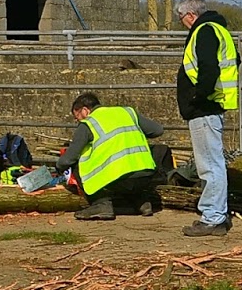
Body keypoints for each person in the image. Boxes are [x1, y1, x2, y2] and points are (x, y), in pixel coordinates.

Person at [175, 0, 239, 237]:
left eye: (181, 17)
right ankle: (216, 214)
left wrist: (197, 98)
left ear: (191, 15)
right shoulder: (219, 30)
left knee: (209, 165)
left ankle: (213, 217)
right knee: (213, 163)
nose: (181, 22)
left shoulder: (204, 32)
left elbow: (208, 69)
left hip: (205, 108)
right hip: (211, 106)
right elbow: (234, 61)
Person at [57, 93, 164, 221]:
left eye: (77, 117)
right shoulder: (127, 112)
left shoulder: (89, 123)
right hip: (146, 174)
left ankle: (101, 203)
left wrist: (58, 168)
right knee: (130, 179)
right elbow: (158, 130)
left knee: (78, 164)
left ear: (85, 110)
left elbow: (68, 159)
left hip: (117, 177)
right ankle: (141, 201)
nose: (77, 121)